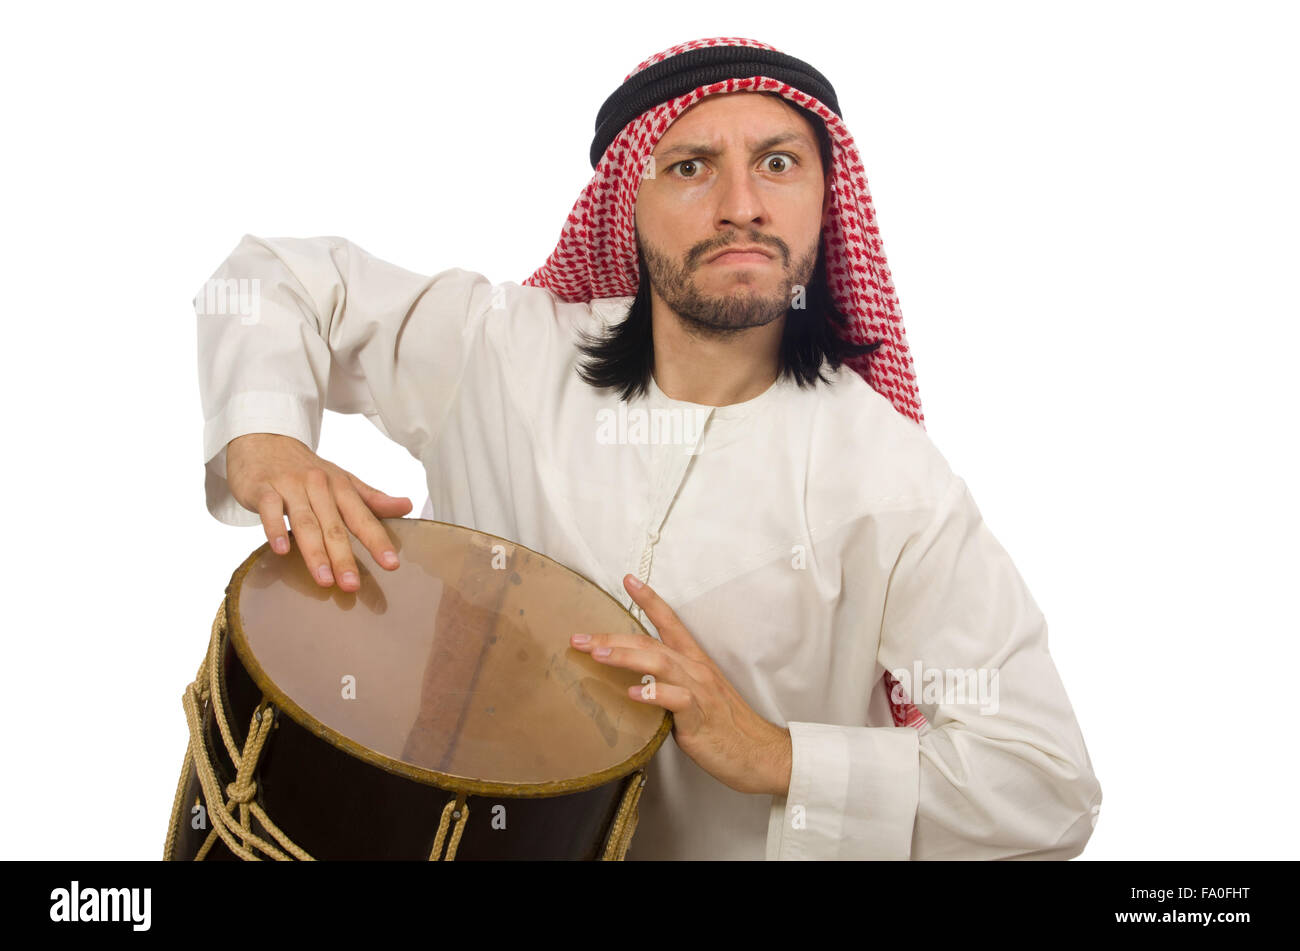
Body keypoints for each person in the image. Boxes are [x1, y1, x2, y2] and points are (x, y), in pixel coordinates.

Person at [194, 36, 1102, 859]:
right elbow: (270, 280)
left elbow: (1046, 784)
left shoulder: (893, 480)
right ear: (628, 203)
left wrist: (777, 755)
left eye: (778, 165)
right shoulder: (503, 354)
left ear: (827, 202)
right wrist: (267, 439)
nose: (741, 205)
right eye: (692, 167)